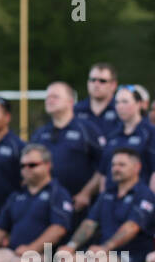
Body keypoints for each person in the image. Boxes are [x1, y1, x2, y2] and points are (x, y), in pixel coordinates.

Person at [31, 81, 103, 215]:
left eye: (55, 97)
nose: (49, 100)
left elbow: (104, 165)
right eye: (48, 97)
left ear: (70, 101)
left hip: (78, 206)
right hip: (45, 207)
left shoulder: (87, 130)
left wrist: (86, 193)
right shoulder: (40, 133)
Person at [96, 86, 155, 202]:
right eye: (117, 102)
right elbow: (104, 172)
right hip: (111, 200)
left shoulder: (151, 132)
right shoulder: (112, 134)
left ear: (139, 104)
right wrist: (102, 202)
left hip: (137, 200)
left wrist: (151, 202)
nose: (120, 106)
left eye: (125, 102)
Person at [74, 62, 120, 143]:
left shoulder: (121, 110)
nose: (96, 84)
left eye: (102, 81)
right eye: (92, 80)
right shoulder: (76, 110)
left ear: (113, 85)